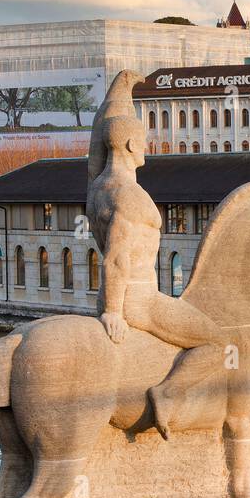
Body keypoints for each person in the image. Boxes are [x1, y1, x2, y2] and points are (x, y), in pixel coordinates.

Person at [86, 72, 228, 439]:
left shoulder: (98, 186)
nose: (148, 147)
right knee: (216, 342)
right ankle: (168, 393)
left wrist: (121, 91)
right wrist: (114, 313)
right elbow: (116, 257)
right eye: (145, 141)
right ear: (133, 144)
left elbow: (97, 145)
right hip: (140, 299)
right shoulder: (130, 196)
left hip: (121, 295)